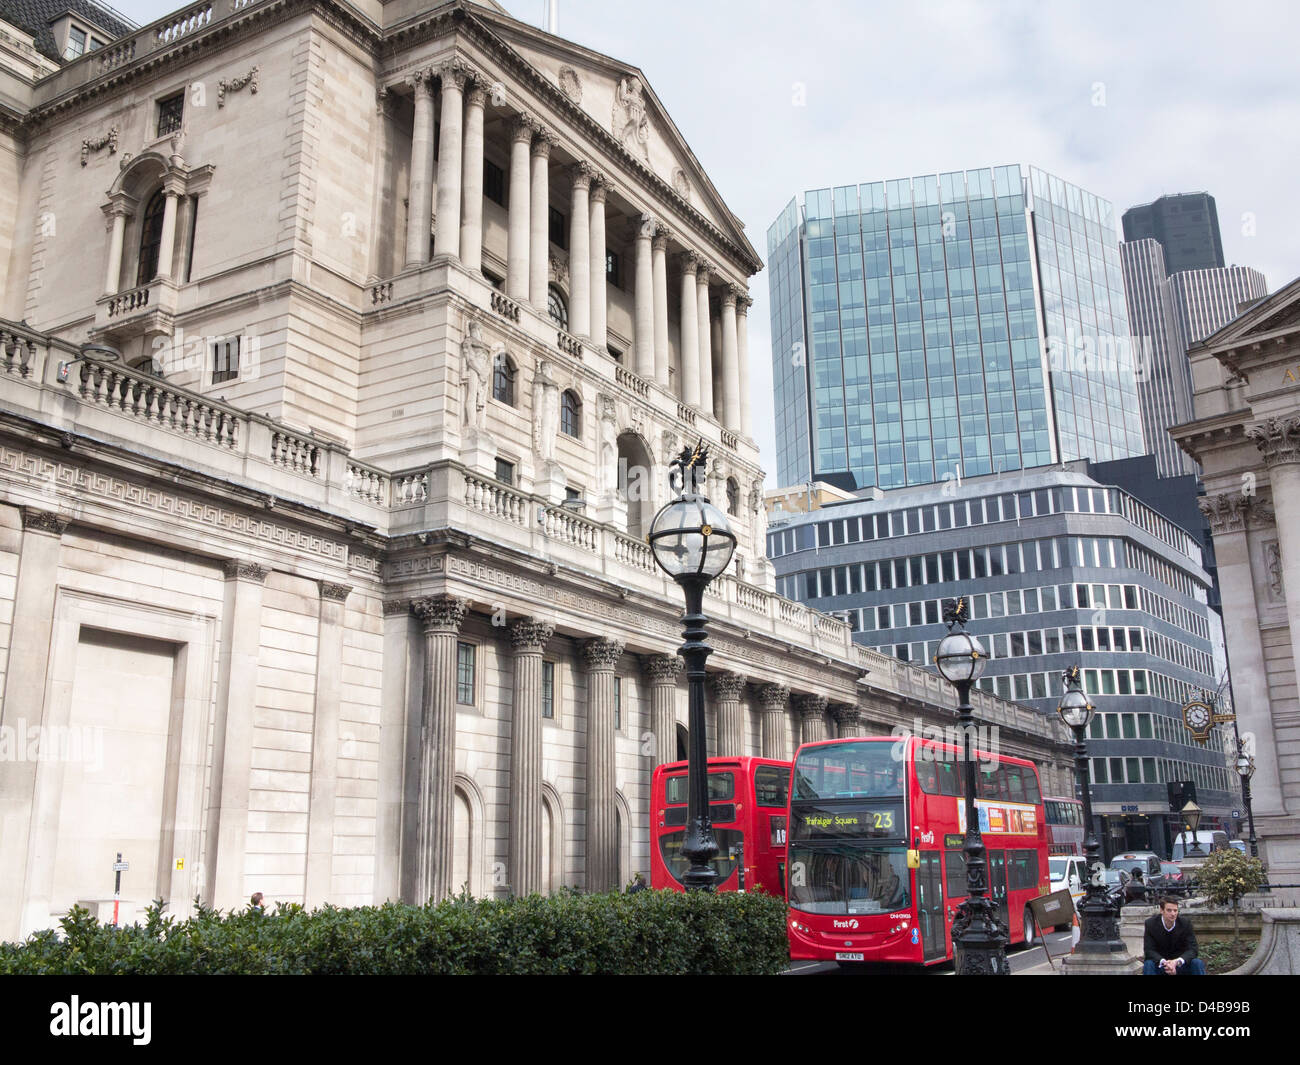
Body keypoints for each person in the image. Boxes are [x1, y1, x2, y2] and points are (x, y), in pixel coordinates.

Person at [1142, 897, 1205, 975]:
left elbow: (1193, 949)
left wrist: (1176, 962)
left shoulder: (1185, 923)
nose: (1173, 914)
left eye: (1175, 910)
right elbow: (1149, 950)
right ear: (1161, 910)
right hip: (1161, 965)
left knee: (1197, 963)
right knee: (1148, 964)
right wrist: (1165, 963)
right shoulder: (1150, 924)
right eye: (1169, 910)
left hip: (1180, 965)